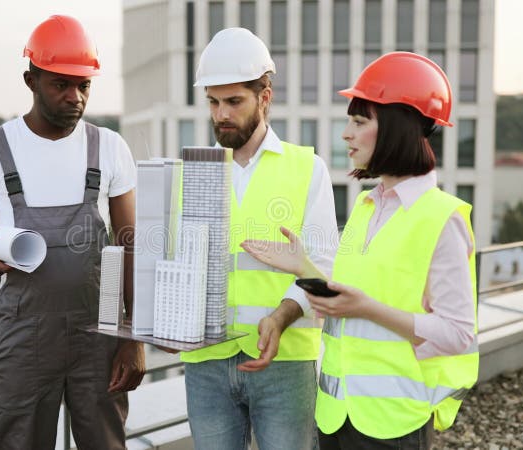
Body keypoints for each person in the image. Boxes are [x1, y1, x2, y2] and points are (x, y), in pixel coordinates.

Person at [241, 51, 478, 450]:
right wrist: (304, 268)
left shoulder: (442, 218)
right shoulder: (367, 207)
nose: (346, 134)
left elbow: (458, 335)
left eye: (359, 122)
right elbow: (348, 301)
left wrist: (368, 308)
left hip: (393, 426)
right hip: (336, 418)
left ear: (397, 127)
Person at [0, 15, 144, 450]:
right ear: (31, 80)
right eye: (60, 85)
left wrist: (133, 338)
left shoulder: (109, 147)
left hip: (100, 335)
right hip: (23, 338)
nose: (75, 97)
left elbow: (130, 246)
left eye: (83, 86)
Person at [180, 27, 338, 450]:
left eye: (234, 102)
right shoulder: (192, 171)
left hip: (284, 362)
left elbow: (324, 263)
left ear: (265, 97)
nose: (220, 114)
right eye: (213, 102)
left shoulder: (307, 168)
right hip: (206, 362)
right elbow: (175, 262)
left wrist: (282, 316)